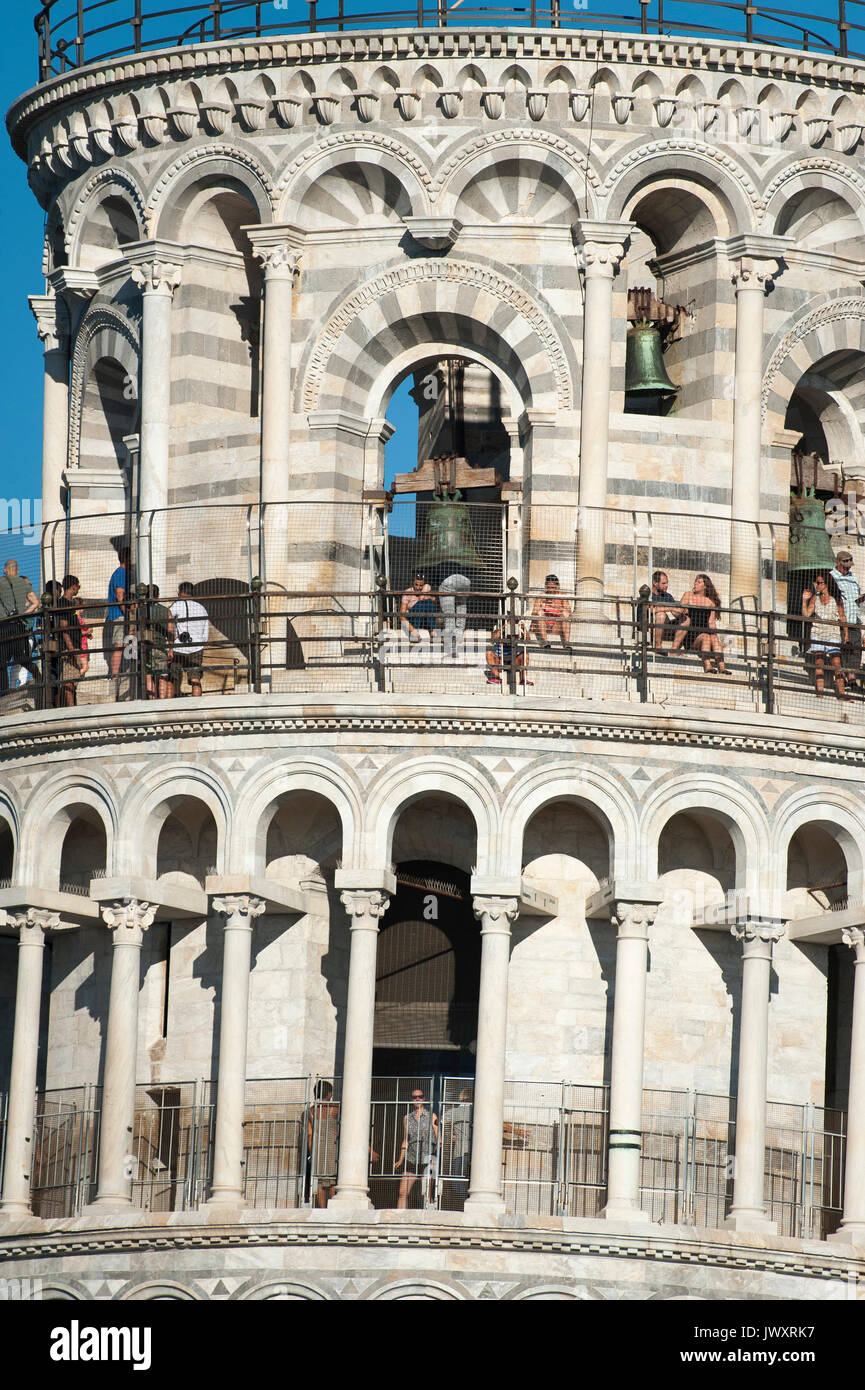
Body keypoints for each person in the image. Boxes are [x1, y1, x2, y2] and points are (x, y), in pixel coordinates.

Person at [803, 571, 848, 699]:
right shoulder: (815, 598)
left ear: (826, 584)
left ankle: (841, 693)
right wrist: (804, 601)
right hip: (818, 631)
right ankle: (820, 692)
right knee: (819, 662)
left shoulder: (836, 599)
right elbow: (806, 614)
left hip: (832, 632)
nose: (816, 585)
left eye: (819, 583)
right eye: (816, 582)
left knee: (837, 664)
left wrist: (845, 634)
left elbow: (842, 617)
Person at [670, 572, 727, 674]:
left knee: (712, 636)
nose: (695, 583)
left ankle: (722, 667)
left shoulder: (710, 602)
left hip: (705, 633)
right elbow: (680, 612)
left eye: (699, 582)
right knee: (706, 636)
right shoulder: (688, 595)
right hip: (691, 635)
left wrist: (716, 641)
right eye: (695, 581)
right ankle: (708, 666)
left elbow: (711, 623)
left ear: (705, 586)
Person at [0, 558, 39, 696]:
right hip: (18, 625)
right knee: (20, 657)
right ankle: (38, 676)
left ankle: (4, 692)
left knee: (2, 660)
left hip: (3, 626)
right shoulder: (23, 585)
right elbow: (35, 603)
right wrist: (22, 614)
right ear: (17, 571)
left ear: (5, 570)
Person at [395, 1087, 439, 1209]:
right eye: (415, 1097)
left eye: (420, 1096)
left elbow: (438, 1138)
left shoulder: (432, 1116)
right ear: (411, 1099)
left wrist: (435, 1157)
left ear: (424, 1098)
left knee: (427, 1193)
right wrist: (400, 1160)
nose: (417, 1099)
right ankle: (400, 1220)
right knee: (403, 1192)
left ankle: (430, 1221)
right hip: (412, 1157)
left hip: (427, 1157)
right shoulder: (407, 1118)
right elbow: (405, 1141)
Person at [830, 548, 865, 693]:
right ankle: (842, 677)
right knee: (844, 648)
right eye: (845, 566)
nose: (847, 569)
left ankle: (852, 678)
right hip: (841, 619)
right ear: (838, 563)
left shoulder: (853, 577)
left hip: (855, 618)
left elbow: (859, 595)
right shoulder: (832, 576)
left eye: (849, 566)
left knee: (856, 649)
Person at [169, 583, 209, 697]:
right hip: (197, 646)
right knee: (195, 679)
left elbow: (168, 620)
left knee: (173, 678)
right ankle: (196, 704)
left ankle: (169, 704)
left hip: (179, 647)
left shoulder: (177, 605)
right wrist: (201, 643)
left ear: (181, 592)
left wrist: (172, 639)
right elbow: (205, 630)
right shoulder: (201, 607)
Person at [306, 1080, 340, 1209]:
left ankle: (321, 1209)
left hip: (317, 1148)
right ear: (329, 1093)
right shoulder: (335, 1109)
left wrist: (311, 1152)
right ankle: (332, 1208)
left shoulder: (311, 1111)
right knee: (332, 1180)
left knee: (320, 1181)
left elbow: (309, 1134)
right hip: (332, 1145)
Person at [56, 575, 84, 707]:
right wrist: (71, 648)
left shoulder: (70, 604)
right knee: (69, 679)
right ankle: (70, 706)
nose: (79, 588)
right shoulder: (63, 603)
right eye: (78, 585)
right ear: (73, 586)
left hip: (74, 645)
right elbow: (63, 626)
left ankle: (69, 704)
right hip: (69, 647)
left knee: (73, 678)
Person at [143, 584, 174, 699]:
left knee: (149, 675)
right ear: (158, 595)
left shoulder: (141, 611)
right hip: (161, 646)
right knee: (162, 676)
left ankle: (151, 700)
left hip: (146, 647)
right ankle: (162, 701)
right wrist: (171, 649)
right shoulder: (166, 611)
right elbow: (170, 631)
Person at [106, 549, 130, 681]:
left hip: (120, 614)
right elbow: (120, 595)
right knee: (119, 645)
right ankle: (114, 675)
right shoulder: (121, 573)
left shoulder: (121, 573)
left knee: (123, 644)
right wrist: (127, 613)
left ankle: (118, 673)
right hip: (120, 615)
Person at [530, 574, 571, 650]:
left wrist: (555, 606)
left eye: (553, 587)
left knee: (565, 613)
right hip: (542, 624)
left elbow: (569, 612)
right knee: (540, 612)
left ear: (557, 586)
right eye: (548, 587)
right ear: (546, 586)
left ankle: (567, 643)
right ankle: (545, 642)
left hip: (556, 625)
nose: (550, 590)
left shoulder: (562, 596)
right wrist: (542, 608)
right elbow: (534, 613)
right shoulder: (541, 596)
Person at [485, 619, 530, 686]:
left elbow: (528, 639)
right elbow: (494, 639)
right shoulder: (499, 631)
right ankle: (497, 677)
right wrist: (503, 628)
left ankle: (523, 679)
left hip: (513, 661)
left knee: (525, 654)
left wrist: (524, 628)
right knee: (488, 653)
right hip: (500, 661)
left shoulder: (517, 632)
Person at [649, 570, 683, 649]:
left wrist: (681, 611)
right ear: (655, 583)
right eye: (663, 583)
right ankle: (658, 646)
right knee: (661, 615)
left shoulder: (667, 596)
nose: (666, 585)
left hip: (665, 628)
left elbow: (675, 613)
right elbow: (650, 609)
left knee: (686, 620)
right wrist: (669, 608)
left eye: (667, 583)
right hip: (649, 626)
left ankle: (675, 649)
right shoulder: (649, 595)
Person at [400, 571, 437, 642]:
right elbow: (402, 615)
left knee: (429, 602)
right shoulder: (407, 593)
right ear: (412, 583)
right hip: (412, 619)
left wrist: (428, 596)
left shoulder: (426, 590)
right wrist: (412, 630)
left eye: (421, 585)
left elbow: (435, 603)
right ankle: (415, 632)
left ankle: (432, 631)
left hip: (424, 619)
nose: (418, 588)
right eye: (416, 585)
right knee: (420, 604)